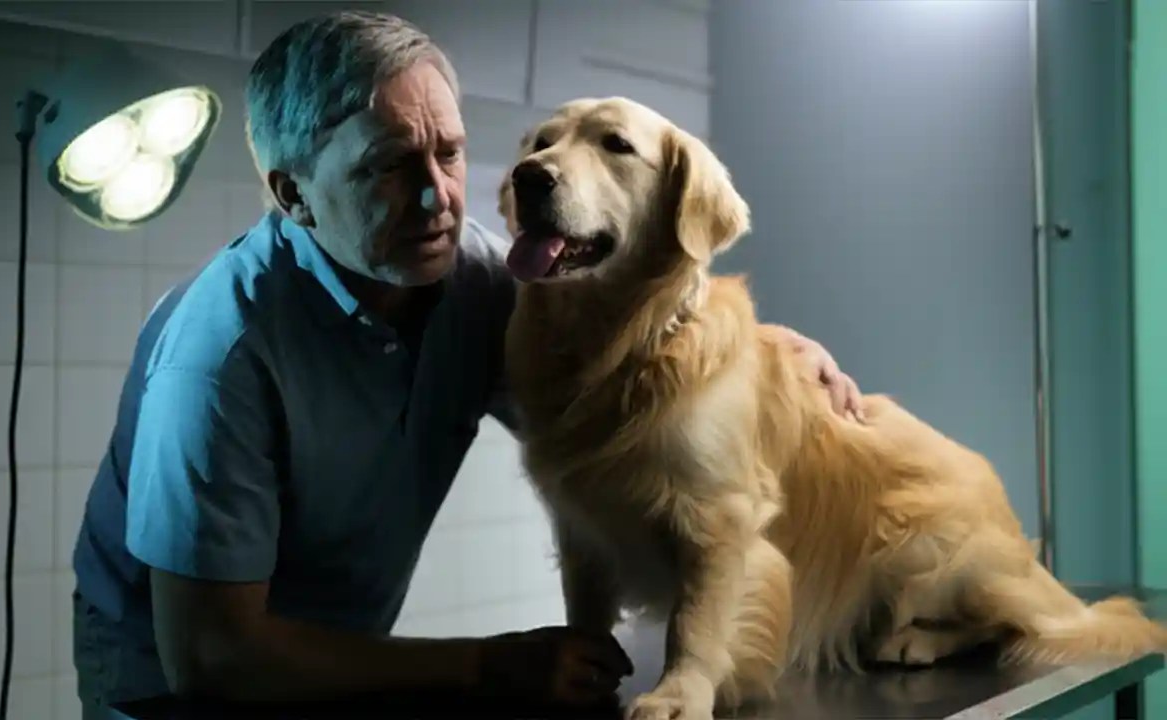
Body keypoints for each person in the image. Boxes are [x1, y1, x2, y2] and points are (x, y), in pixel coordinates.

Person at [69, 10, 865, 719]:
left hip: (334, 654)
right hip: (172, 690)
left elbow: (621, 406)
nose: (437, 199)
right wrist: (484, 665)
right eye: (387, 166)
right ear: (294, 195)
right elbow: (213, 658)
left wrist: (767, 361)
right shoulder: (218, 360)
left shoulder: (477, 280)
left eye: (449, 152)